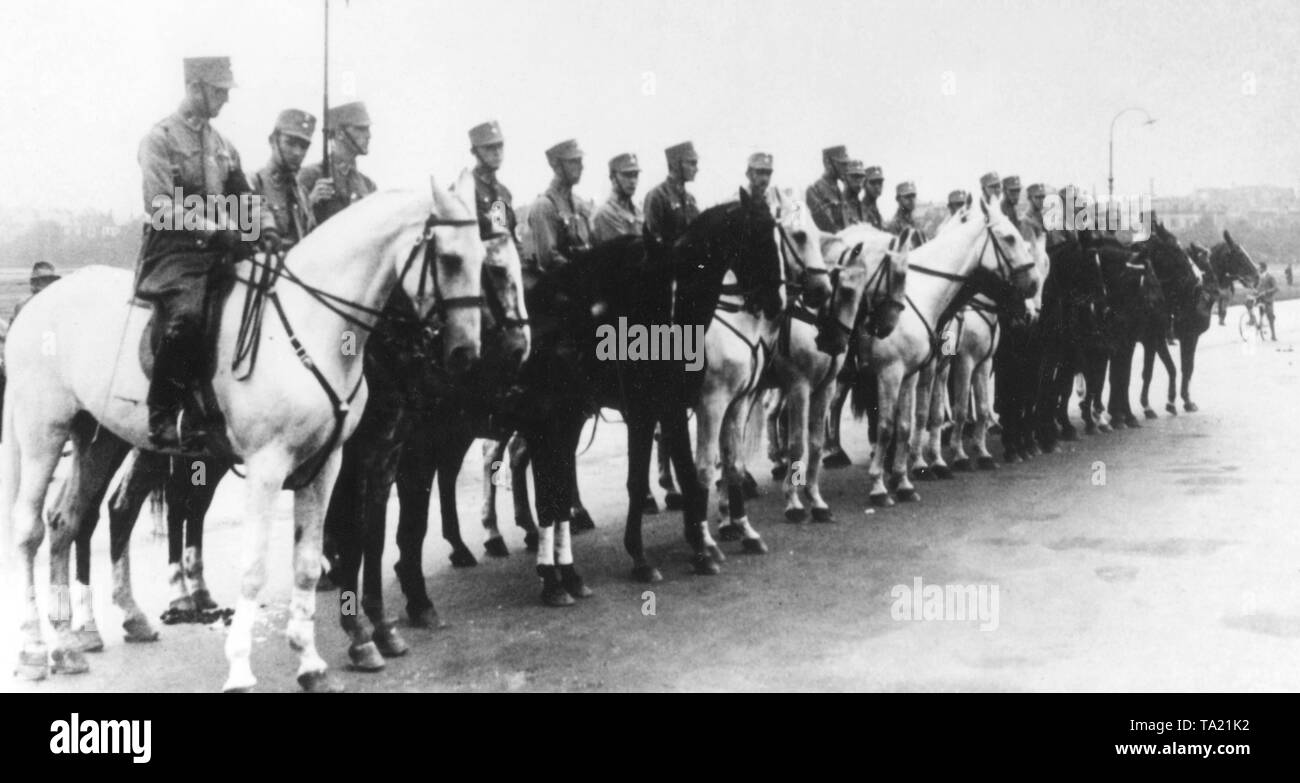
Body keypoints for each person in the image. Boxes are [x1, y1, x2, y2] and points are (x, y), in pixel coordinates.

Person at [136, 56, 279, 449]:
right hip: (174, 253)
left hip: (217, 252)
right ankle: (163, 413)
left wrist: (263, 229)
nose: (225, 100)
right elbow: (161, 206)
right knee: (189, 316)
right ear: (195, 87)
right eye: (219, 91)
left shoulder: (222, 145)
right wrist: (216, 230)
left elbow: (244, 198)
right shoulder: (160, 139)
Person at [297, 101, 376, 225]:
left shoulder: (368, 185)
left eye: (367, 129)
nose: (368, 135)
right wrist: (310, 202)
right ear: (340, 133)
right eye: (361, 129)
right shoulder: (310, 176)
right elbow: (291, 229)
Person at [527, 139, 594, 281]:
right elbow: (549, 259)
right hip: (563, 285)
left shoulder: (580, 205)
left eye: (580, 161)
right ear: (557, 166)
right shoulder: (544, 206)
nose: (581, 167)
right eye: (573, 162)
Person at [249, 109, 318, 246]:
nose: (297, 152)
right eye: (290, 143)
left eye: (304, 147)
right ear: (273, 141)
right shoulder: (253, 183)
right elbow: (245, 241)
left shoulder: (301, 193)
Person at [467, 120, 518, 242]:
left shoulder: (502, 193)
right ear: (474, 152)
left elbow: (503, 235)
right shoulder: (464, 190)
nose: (497, 153)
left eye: (500, 146)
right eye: (489, 148)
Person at [643, 141, 701, 247]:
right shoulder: (656, 196)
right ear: (675, 164)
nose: (697, 169)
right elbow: (653, 241)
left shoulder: (691, 199)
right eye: (692, 163)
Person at [591, 153, 645, 243]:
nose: (633, 181)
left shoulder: (638, 212)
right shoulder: (605, 213)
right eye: (627, 175)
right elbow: (622, 250)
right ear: (613, 178)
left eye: (635, 175)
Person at [805, 145, 849, 233]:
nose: (847, 168)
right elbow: (829, 226)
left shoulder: (839, 192)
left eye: (847, 164)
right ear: (828, 163)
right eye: (842, 164)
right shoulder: (814, 190)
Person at [1251, 262, 1278, 340]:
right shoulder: (1260, 277)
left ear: (1263, 268)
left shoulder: (1270, 277)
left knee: (1270, 316)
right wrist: (1255, 291)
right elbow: (1259, 287)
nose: (1258, 269)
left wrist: (1266, 292)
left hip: (1268, 299)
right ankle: (1252, 320)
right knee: (1248, 302)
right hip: (1260, 298)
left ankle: (1273, 335)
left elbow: (1276, 288)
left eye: (1259, 268)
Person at [842, 160, 869, 225]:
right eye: (855, 176)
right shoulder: (840, 204)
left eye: (862, 177)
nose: (859, 181)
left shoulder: (862, 206)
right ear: (846, 178)